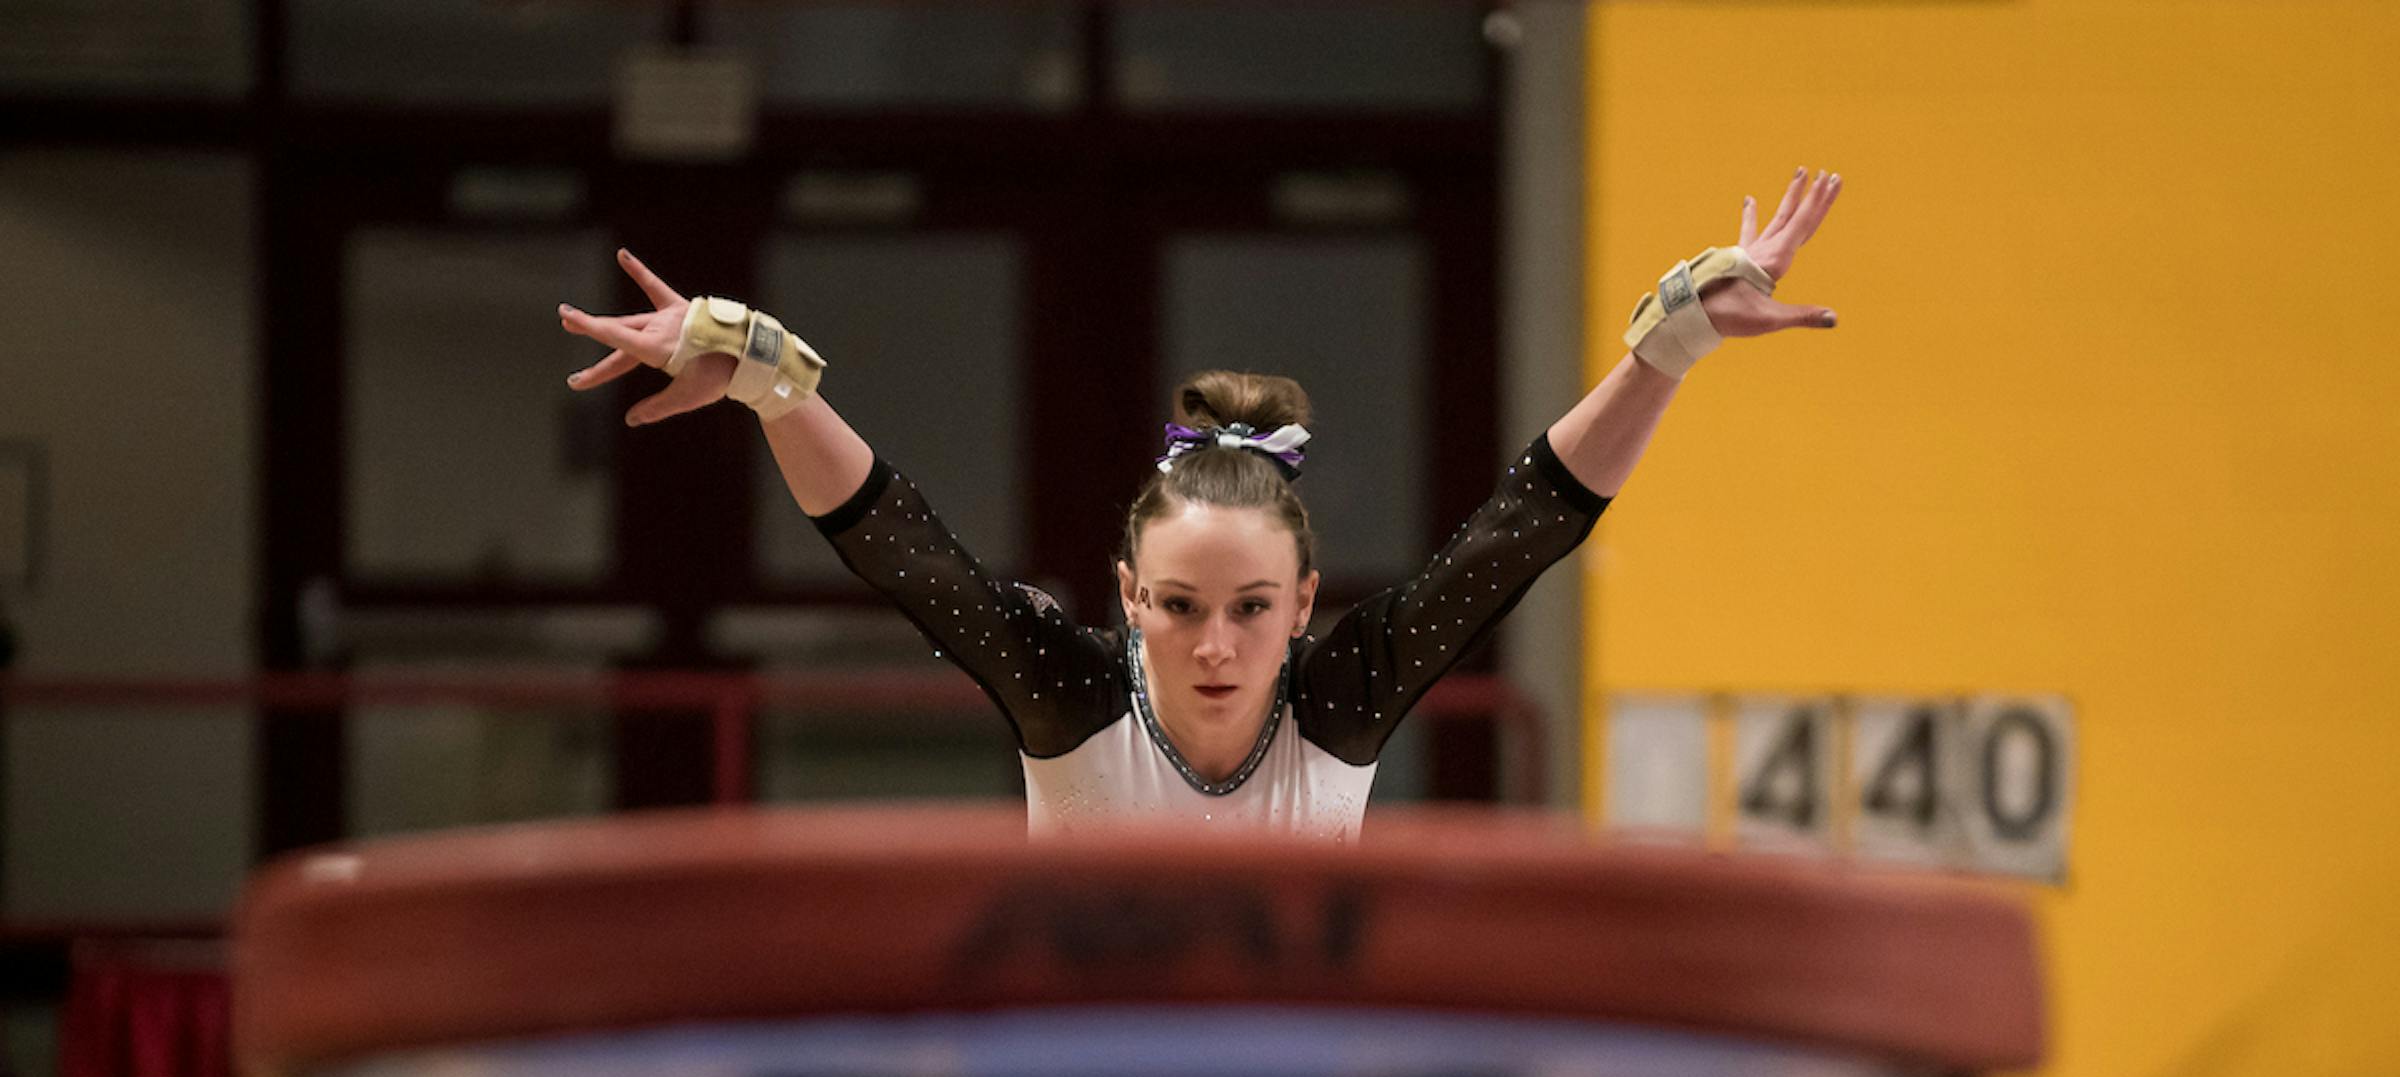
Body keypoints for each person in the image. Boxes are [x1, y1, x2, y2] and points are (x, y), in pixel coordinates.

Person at [560, 168, 1843, 840]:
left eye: (1247, 609)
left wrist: (1666, 348)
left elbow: (1521, 531)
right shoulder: (1072, 698)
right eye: (1177, 608)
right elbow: (906, 554)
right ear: (1126, 600)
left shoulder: (1339, 707)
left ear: (1302, 609)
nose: (1214, 646)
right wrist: (771, 381)